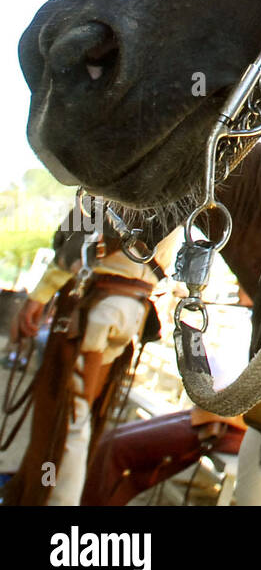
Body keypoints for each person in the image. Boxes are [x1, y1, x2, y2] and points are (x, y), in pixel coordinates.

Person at [3, 199, 173, 505]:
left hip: (96, 306)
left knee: (62, 428)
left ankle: (50, 498)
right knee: (79, 422)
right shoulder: (190, 177)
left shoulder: (119, 167)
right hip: (131, 307)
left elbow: (78, 229)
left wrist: (40, 295)